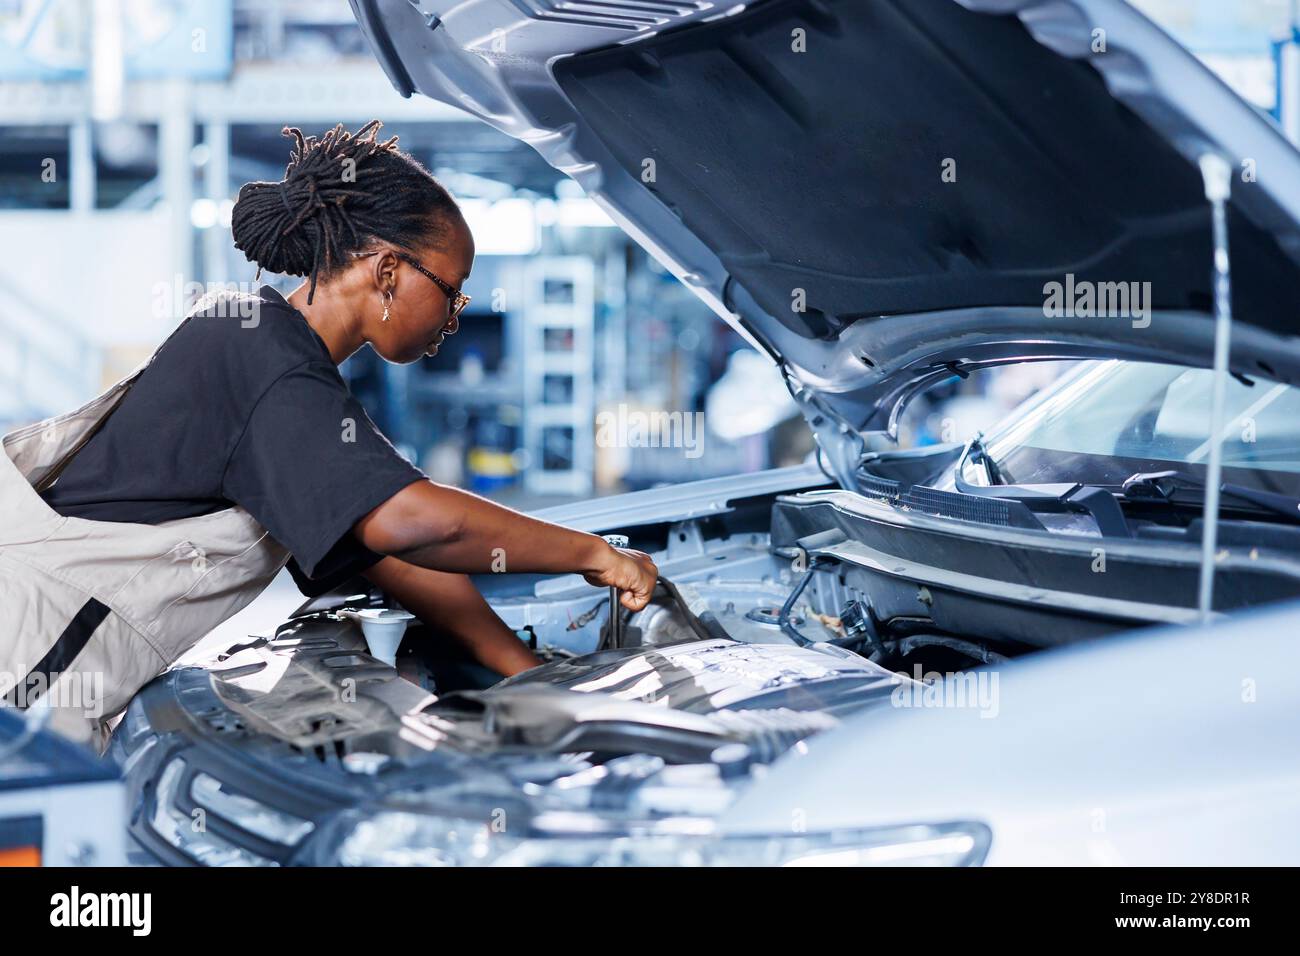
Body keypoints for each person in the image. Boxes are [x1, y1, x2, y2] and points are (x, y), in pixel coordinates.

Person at [0, 121, 657, 749]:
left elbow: (397, 563)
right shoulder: (263, 354)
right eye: (451, 290)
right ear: (389, 270)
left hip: (55, 661)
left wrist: (532, 676)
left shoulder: (277, 362)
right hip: (28, 663)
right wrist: (596, 556)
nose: (457, 316)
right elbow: (413, 524)